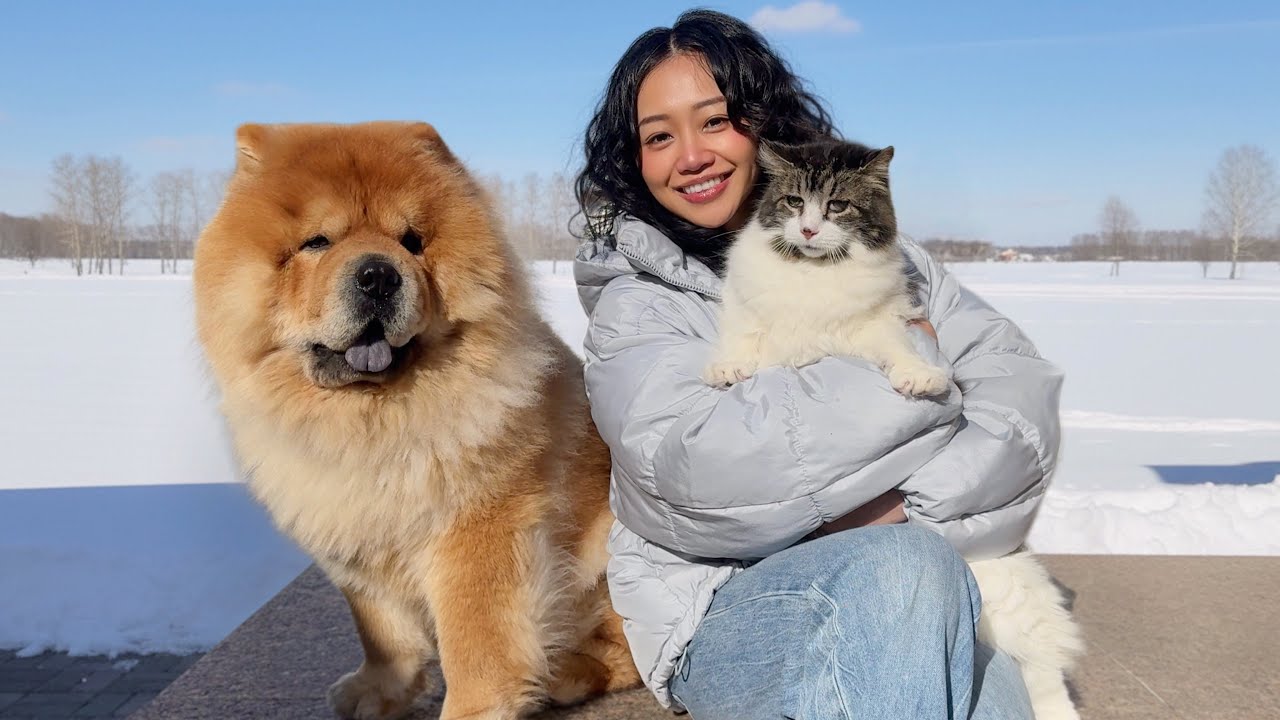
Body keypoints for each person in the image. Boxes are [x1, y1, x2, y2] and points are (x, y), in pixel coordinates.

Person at [573, 9, 1063, 720]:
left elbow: (1020, 403)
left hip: (914, 570)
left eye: (715, 120)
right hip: (722, 610)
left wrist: (903, 507)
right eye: (658, 136)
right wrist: (916, 362)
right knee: (903, 572)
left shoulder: (896, 258)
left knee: (993, 693)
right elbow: (705, 472)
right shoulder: (636, 302)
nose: (691, 155)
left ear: (763, 122)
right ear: (635, 160)